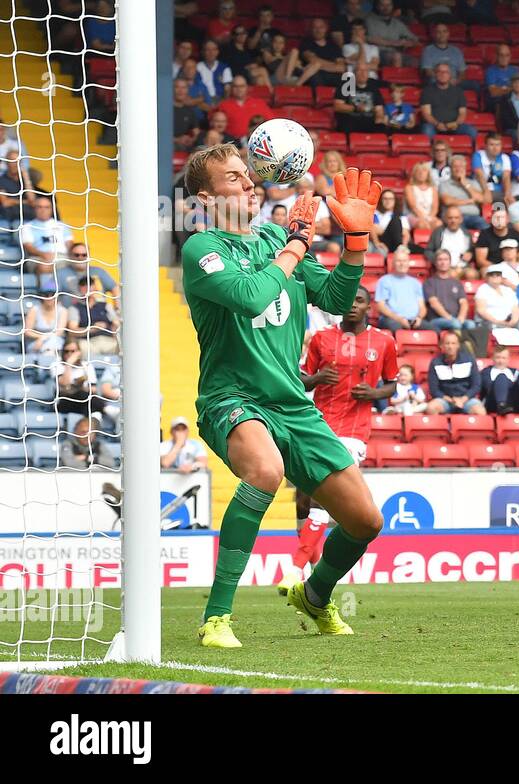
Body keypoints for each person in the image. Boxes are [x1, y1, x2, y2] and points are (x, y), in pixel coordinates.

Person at [181, 147, 384, 647]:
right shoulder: (201, 247)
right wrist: (295, 244)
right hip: (233, 397)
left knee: (365, 520)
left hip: (292, 403)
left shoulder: (273, 236)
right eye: (234, 178)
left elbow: (336, 299)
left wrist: (355, 242)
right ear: (206, 196)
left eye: (249, 176)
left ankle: (314, 595)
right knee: (265, 471)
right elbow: (251, 295)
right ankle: (217, 618)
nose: (250, 184)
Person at [290, 285, 397, 593]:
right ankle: (313, 568)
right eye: (349, 299)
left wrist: (375, 394)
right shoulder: (322, 338)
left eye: (359, 300)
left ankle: (294, 568)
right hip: (319, 425)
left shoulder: (384, 341)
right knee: (303, 499)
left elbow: (391, 384)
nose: (353, 305)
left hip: (354, 430)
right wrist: (317, 379)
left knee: (325, 496)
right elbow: (300, 378)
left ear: (369, 307)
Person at [426, 330, 486, 415]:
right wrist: (450, 400)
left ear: (458, 345)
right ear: (442, 346)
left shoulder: (469, 360)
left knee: (480, 411)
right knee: (431, 408)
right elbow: (434, 389)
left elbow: (476, 385)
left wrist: (463, 399)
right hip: (445, 400)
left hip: (466, 399)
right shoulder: (435, 363)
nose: (450, 346)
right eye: (447, 343)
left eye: (453, 343)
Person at [374, 248, 427, 331]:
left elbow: (422, 307)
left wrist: (419, 318)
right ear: (393, 263)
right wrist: (399, 319)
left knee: (434, 331)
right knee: (396, 328)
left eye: (405, 261)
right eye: (399, 261)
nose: (402, 264)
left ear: (408, 263)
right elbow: (380, 306)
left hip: (413, 319)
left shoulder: (416, 283)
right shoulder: (384, 280)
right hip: (391, 319)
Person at [483, 345, 519, 417]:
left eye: (503, 358)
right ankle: (501, 406)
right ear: (493, 358)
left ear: (508, 359)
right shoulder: (486, 372)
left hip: (515, 402)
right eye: (498, 357)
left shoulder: (516, 372)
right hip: (494, 402)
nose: (501, 361)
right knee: (501, 377)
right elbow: (487, 388)